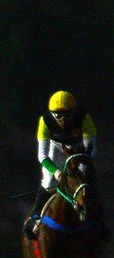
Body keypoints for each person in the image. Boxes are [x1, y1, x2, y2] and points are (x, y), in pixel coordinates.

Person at [26, 91, 102, 240]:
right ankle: (35, 216)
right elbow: (42, 155)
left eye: (67, 115)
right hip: (56, 147)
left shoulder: (84, 118)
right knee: (49, 182)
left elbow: (91, 149)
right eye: (58, 115)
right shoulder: (45, 120)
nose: (63, 120)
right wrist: (56, 172)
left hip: (78, 148)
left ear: (74, 112)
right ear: (51, 114)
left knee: (84, 176)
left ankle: (99, 220)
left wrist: (80, 161)